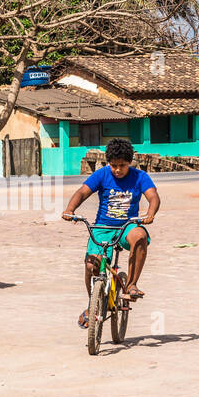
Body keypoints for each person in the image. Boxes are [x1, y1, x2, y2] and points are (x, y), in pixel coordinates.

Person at [61, 138, 160, 329]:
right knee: (92, 265)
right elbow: (82, 192)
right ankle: (93, 304)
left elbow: (153, 196)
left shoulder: (140, 177)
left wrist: (150, 213)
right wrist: (70, 210)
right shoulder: (102, 175)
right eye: (113, 165)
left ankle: (131, 285)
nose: (117, 170)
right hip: (102, 228)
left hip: (127, 226)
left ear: (130, 162)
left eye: (122, 165)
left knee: (140, 236)